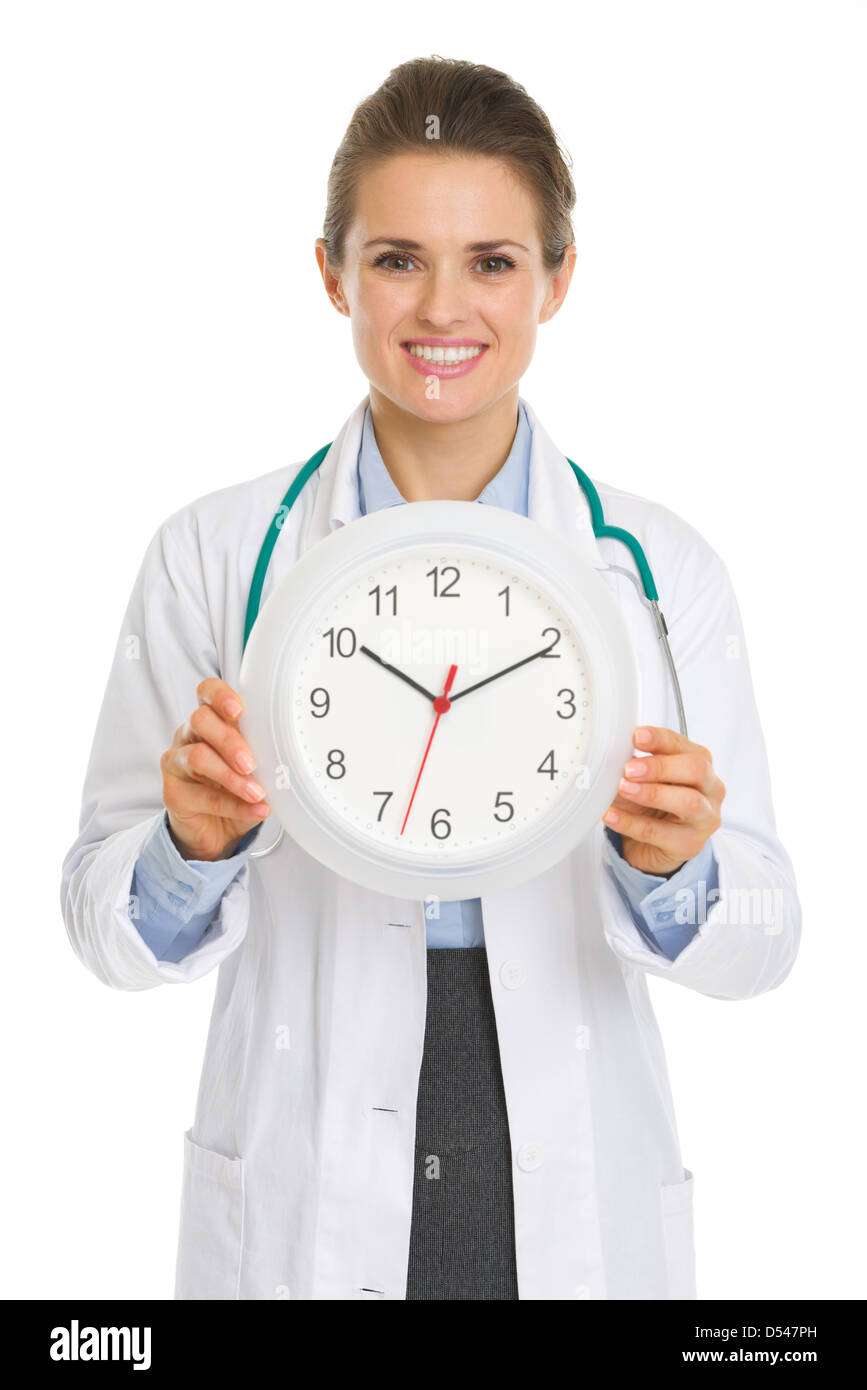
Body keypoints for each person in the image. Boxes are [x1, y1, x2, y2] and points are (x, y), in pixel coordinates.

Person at [60, 55, 801, 1301]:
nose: (441, 306)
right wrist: (187, 850)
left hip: (564, 1183)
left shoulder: (659, 573)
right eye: (397, 257)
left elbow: (768, 938)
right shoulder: (215, 554)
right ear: (331, 273)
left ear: (559, 278)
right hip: (308, 1185)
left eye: (494, 261)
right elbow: (98, 923)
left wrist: (677, 875)